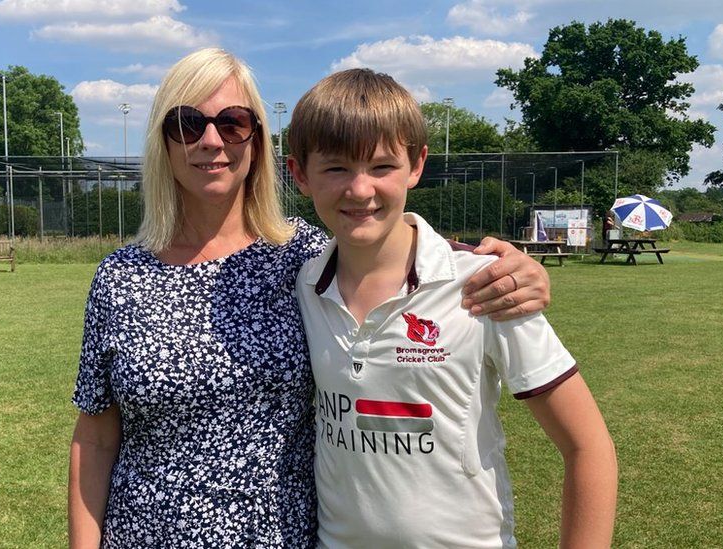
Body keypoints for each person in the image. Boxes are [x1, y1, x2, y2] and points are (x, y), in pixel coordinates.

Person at [68, 48, 554, 548]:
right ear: (162, 141)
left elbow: (390, 242)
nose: (211, 140)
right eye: (187, 123)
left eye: (233, 123)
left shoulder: (301, 257)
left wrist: (510, 270)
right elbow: (97, 436)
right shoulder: (119, 277)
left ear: (257, 140)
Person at [288, 68, 618, 548]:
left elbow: (587, 446)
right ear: (300, 175)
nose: (360, 190)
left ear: (417, 165)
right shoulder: (302, 282)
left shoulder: (486, 283)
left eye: (382, 167)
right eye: (336, 168)